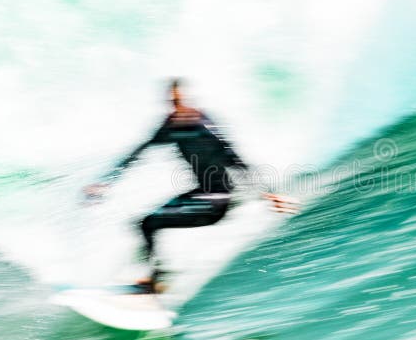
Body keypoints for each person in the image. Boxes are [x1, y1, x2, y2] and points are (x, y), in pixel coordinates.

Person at [84, 78, 296, 293]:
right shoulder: (170, 127)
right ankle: (157, 277)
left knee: (149, 223)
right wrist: (105, 183)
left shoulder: (204, 127)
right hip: (201, 194)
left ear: (188, 100)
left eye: (180, 101)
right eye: (172, 102)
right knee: (144, 224)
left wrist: (269, 194)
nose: (176, 107)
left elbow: (236, 161)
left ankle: (157, 279)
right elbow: (138, 153)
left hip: (217, 200)